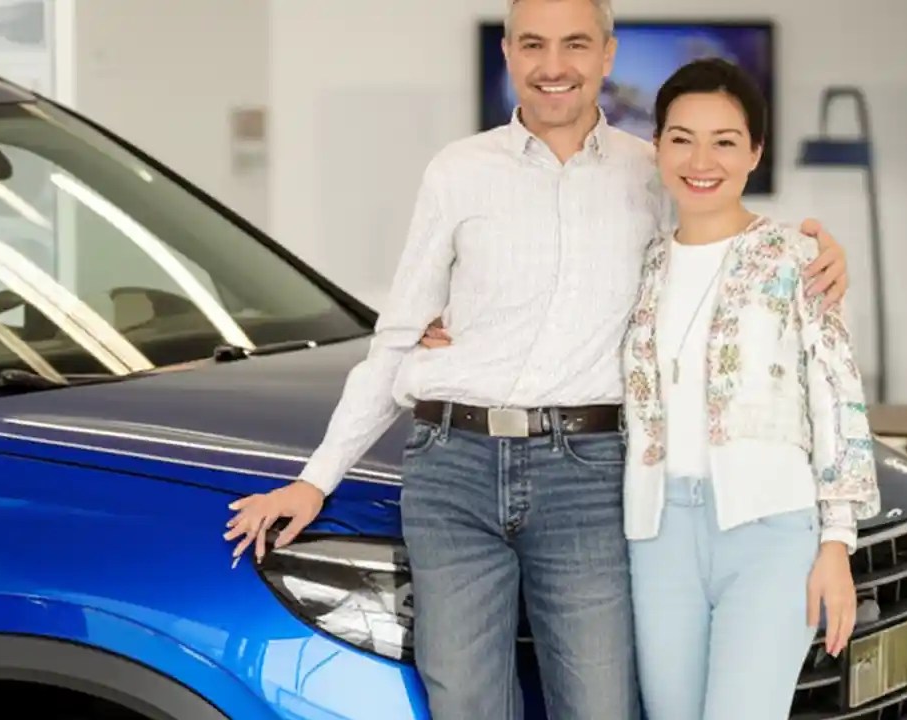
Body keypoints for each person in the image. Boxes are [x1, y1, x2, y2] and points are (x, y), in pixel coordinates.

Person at [224, 1, 850, 717]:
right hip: (450, 464)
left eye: (576, 44)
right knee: (465, 701)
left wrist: (817, 256)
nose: (554, 66)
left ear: (608, 56)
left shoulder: (653, 170)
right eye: (534, 45)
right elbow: (397, 336)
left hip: (585, 473)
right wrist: (316, 479)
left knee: (601, 703)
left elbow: (721, 242)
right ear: (509, 54)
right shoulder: (457, 172)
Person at [620, 58, 880, 719]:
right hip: (658, 536)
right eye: (681, 138)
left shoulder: (796, 258)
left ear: (755, 152)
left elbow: (836, 397)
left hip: (771, 534)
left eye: (725, 141)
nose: (700, 159)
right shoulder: (638, 262)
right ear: (656, 146)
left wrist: (837, 544)